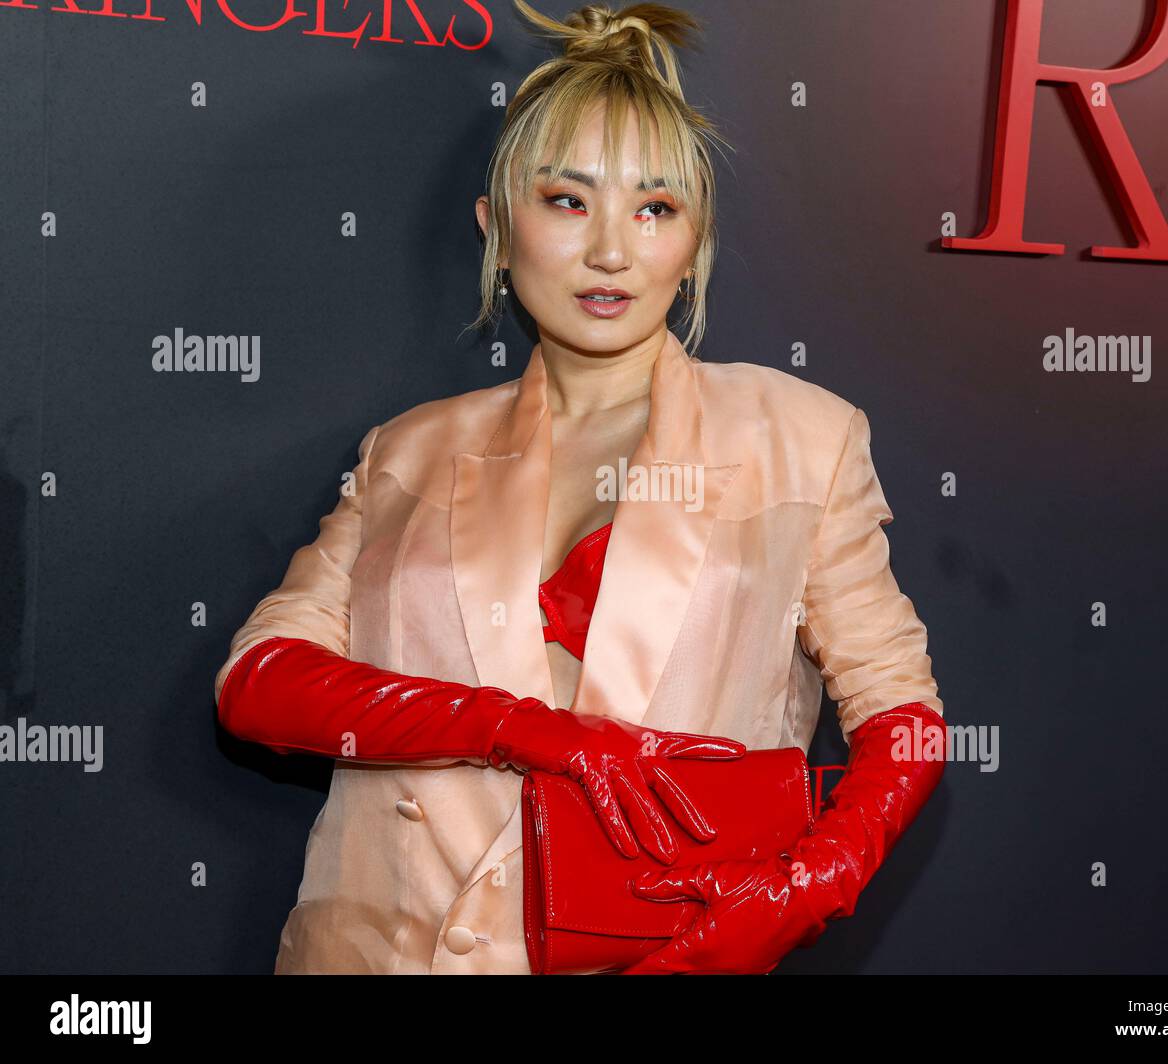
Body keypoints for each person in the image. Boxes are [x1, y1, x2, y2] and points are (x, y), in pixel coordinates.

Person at [214, 0, 946, 975]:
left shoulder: (800, 437)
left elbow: (900, 709)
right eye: (566, 200)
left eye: (654, 208)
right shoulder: (410, 448)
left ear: (694, 241)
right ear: (495, 226)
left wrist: (805, 888)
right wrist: (519, 728)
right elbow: (258, 682)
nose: (611, 249)